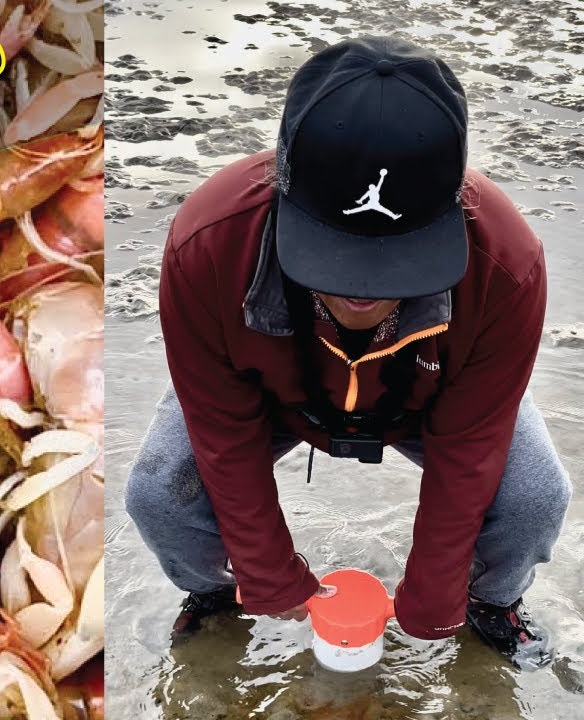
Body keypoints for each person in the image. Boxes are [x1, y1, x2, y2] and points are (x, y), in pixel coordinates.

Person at [123, 35, 571, 670]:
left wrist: (433, 597)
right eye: (333, 256)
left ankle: (491, 603)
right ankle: (215, 595)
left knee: (534, 496)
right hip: (271, 399)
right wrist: (269, 574)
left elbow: (471, 444)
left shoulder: (509, 266)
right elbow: (222, 430)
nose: (360, 293)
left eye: (394, 266)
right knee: (159, 489)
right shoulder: (206, 244)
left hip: (432, 402)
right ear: (283, 187)